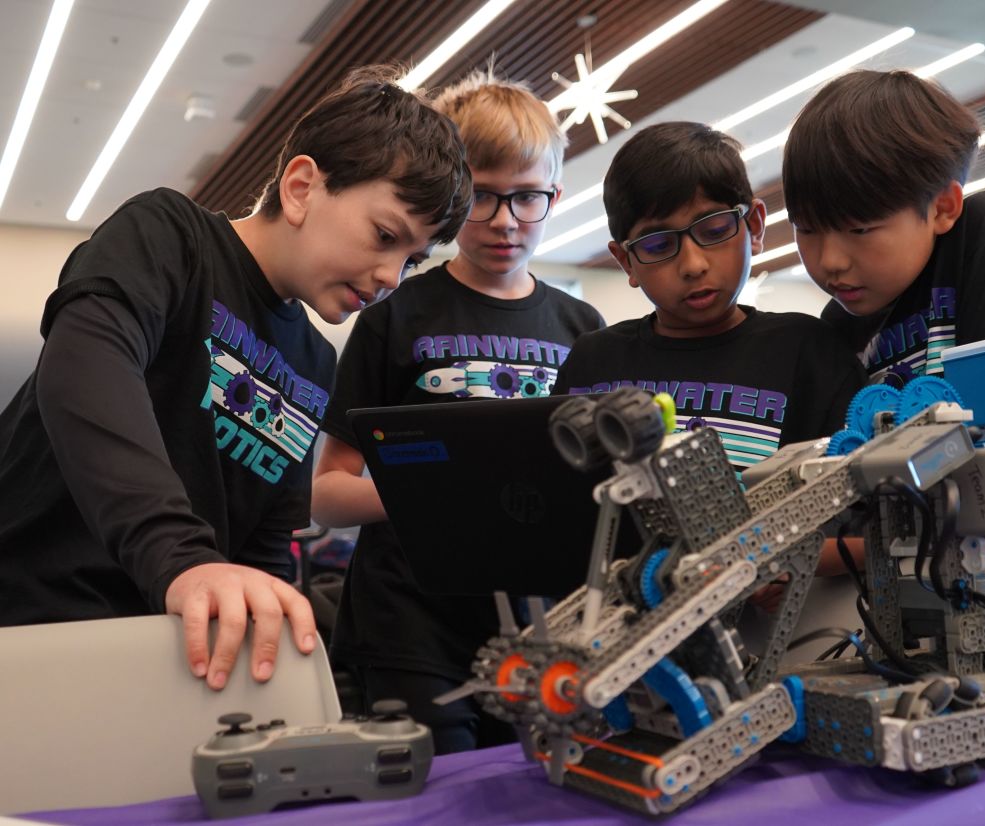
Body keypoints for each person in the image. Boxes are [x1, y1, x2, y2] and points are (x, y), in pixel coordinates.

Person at [0, 64, 471, 692]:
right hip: (33, 622)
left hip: (172, 651)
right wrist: (183, 559)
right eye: (385, 235)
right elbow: (85, 367)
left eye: (412, 259)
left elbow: (265, 546)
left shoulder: (314, 362)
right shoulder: (170, 235)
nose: (392, 277)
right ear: (302, 187)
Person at [312, 71, 604, 754]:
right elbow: (327, 495)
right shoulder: (393, 309)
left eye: (527, 197)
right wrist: (441, 492)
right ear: (449, 197)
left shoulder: (584, 328)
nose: (505, 221)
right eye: (482, 196)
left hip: (542, 624)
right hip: (409, 619)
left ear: (554, 196)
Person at [553, 121, 865, 575]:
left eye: (715, 229)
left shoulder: (810, 351)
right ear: (626, 261)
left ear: (754, 226)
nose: (693, 264)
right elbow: (557, 513)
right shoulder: (594, 361)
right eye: (658, 244)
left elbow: (861, 526)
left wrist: (785, 564)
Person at [782, 69, 985, 388]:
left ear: (942, 208)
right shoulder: (839, 321)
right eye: (806, 229)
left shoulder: (982, 234)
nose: (831, 261)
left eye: (859, 230)